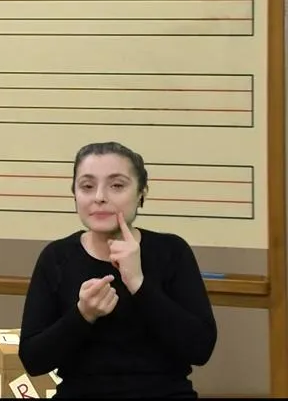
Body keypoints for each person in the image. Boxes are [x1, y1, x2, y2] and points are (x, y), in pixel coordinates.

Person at [18, 141, 217, 398]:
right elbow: (33, 360)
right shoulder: (56, 257)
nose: (99, 197)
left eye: (117, 185)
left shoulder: (172, 251)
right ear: (74, 194)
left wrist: (138, 283)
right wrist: (82, 315)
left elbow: (200, 348)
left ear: (141, 193)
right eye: (87, 186)